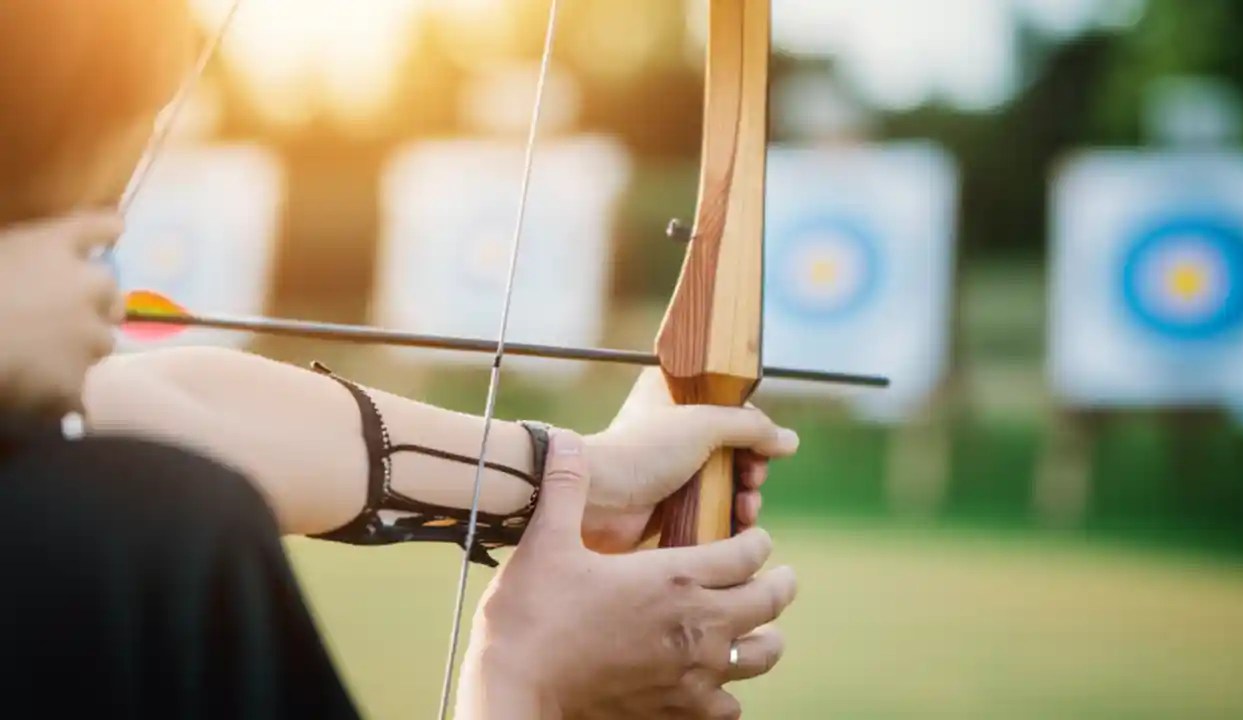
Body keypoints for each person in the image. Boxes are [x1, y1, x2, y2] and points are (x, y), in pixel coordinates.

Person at [0, 2, 799, 717]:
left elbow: (150, 410)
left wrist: (585, 476)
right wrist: (531, 680)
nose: (102, 260)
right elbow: (126, 464)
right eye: (69, 210)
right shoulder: (141, 533)